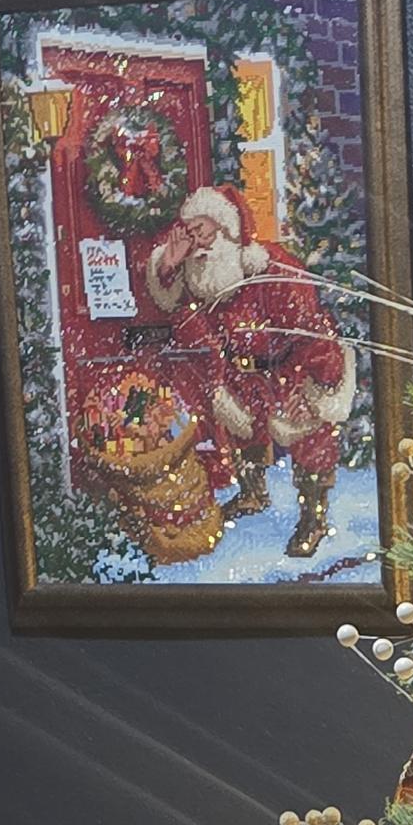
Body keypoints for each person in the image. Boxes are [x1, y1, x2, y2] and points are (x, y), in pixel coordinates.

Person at [145, 183, 354, 557]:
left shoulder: (272, 267)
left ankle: (314, 517)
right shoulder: (202, 275)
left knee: (310, 441)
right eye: (190, 232)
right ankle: (253, 494)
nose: (197, 241)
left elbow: (310, 331)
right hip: (243, 374)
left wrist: (313, 386)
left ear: (227, 230)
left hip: (294, 366)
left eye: (203, 230)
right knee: (242, 428)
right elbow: (189, 325)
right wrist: (169, 268)